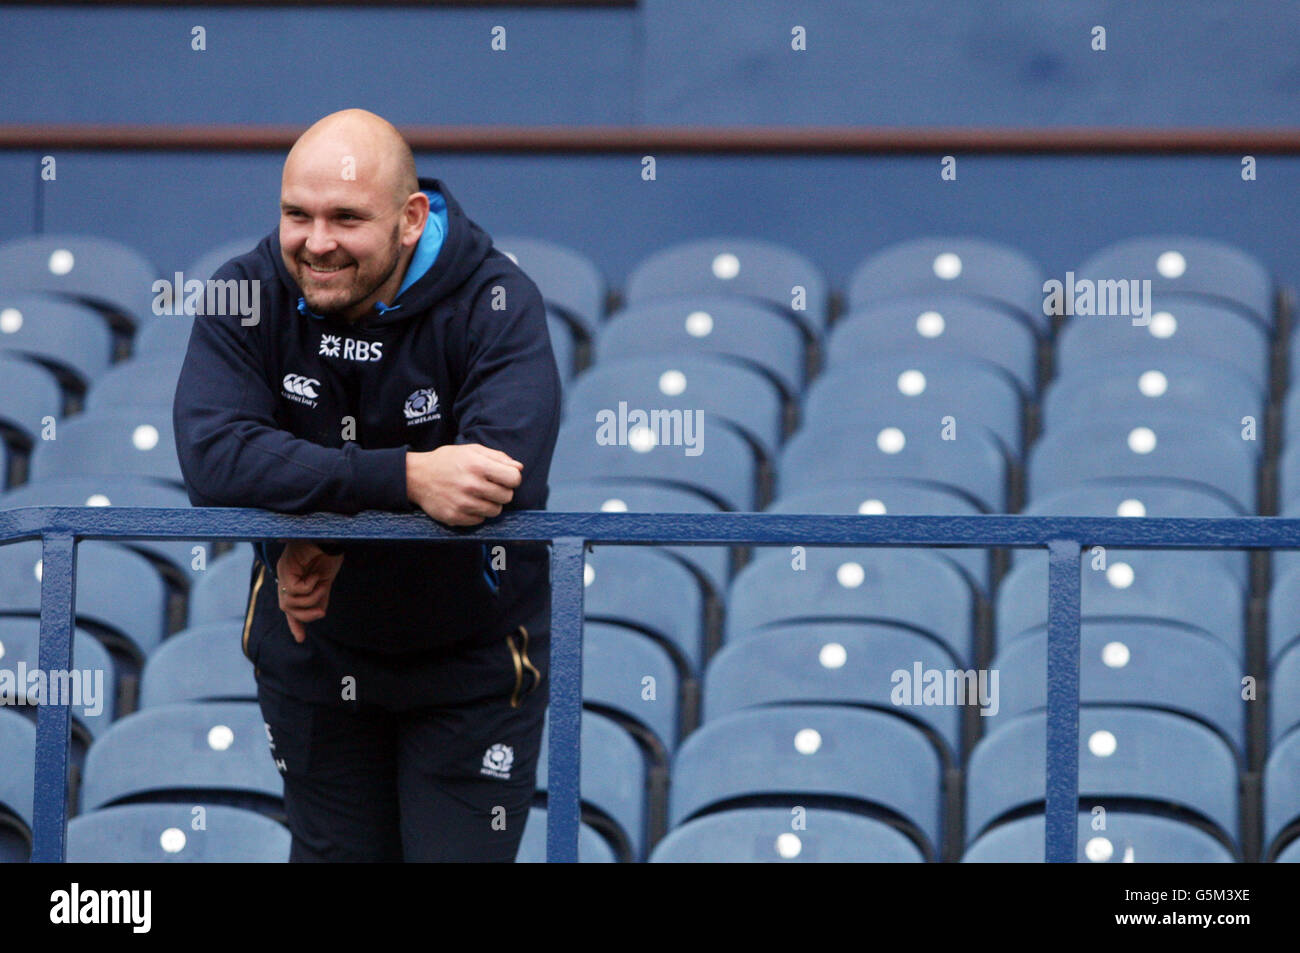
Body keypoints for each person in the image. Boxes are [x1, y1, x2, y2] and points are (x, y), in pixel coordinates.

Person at [172, 108, 562, 861]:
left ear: (411, 220)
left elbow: (492, 484)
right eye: (297, 215)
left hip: (472, 666)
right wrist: (403, 477)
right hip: (314, 650)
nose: (316, 242)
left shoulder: (499, 299)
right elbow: (213, 456)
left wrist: (325, 531)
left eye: (346, 218)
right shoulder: (243, 289)